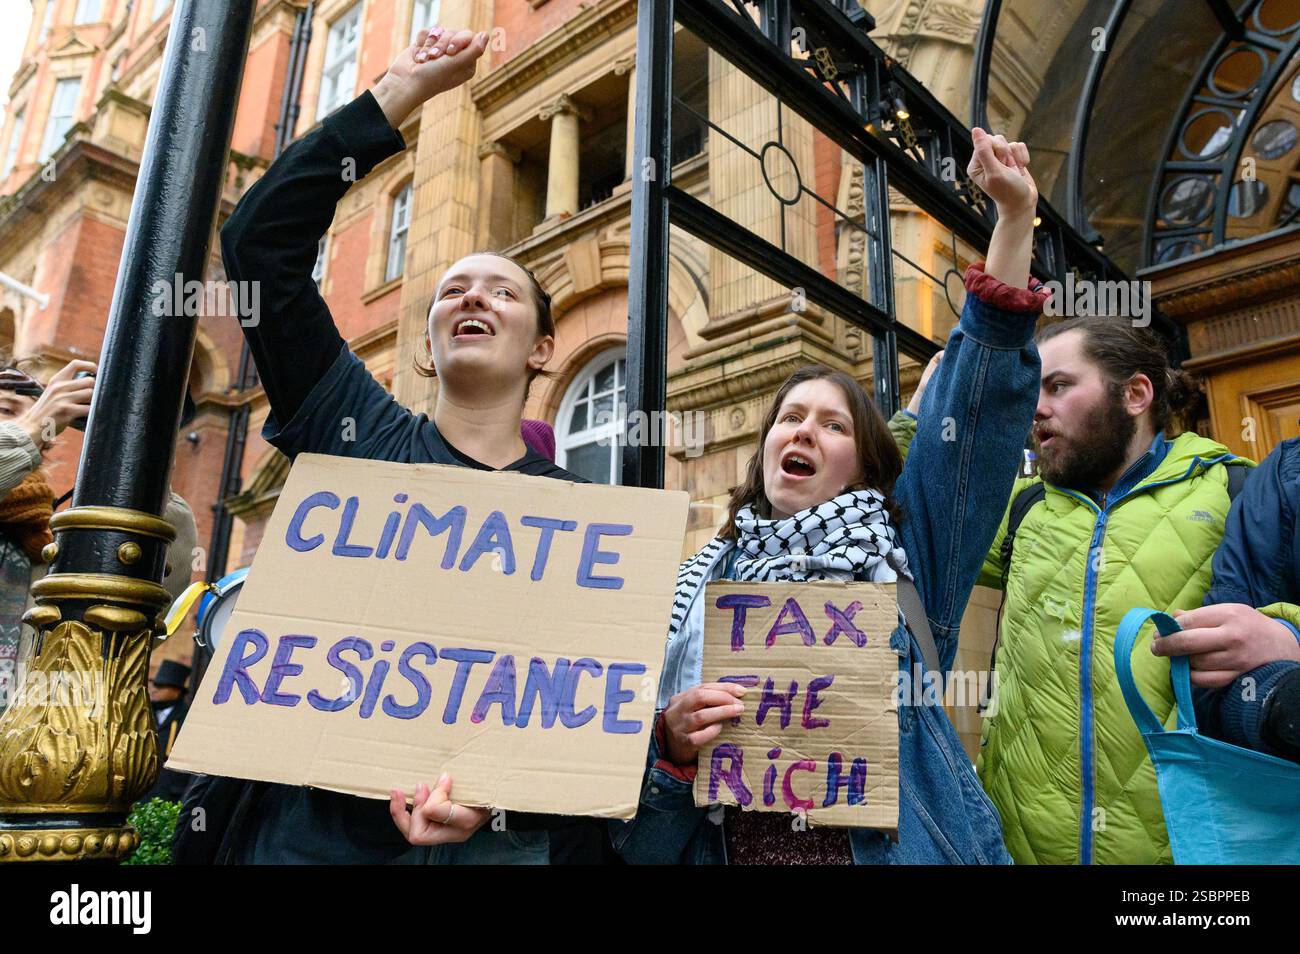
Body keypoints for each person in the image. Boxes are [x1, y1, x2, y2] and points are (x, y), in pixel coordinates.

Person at [187, 25, 608, 865]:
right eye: (452, 291)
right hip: (308, 843)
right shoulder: (357, 432)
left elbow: (578, 730)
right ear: (427, 346)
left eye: (501, 290)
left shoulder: (581, 531)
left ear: (540, 350)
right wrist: (396, 97)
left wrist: (495, 805)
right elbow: (260, 249)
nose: (470, 298)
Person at [611, 128, 1046, 864]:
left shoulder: (908, 558)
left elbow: (976, 412)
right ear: (767, 448)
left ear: (863, 463)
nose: (803, 430)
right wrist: (671, 749)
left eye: (832, 423)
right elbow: (640, 842)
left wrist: (1013, 218)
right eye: (790, 417)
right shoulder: (697, 585)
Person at [957, 315, 1274, 864]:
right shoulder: (1022, 507)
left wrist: (1286, 633)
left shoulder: (1235, 488)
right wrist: (928, 415)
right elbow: (914, 529)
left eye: (1057, 386)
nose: (1037, 408)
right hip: (1019, 851)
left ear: (1135, 394)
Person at [1189, 437, 1300, 763]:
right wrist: (1278, 692)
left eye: (1062, 385)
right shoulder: (1281, 477)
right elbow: (1215, 688)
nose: (1041, 409)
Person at [140, 660, 194, 802]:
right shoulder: (142, 714)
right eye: (152, 683)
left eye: (160, 685)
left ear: (176, 690)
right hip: (138, 792)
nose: (153, 689)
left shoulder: (187, 720)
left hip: (169, 796)